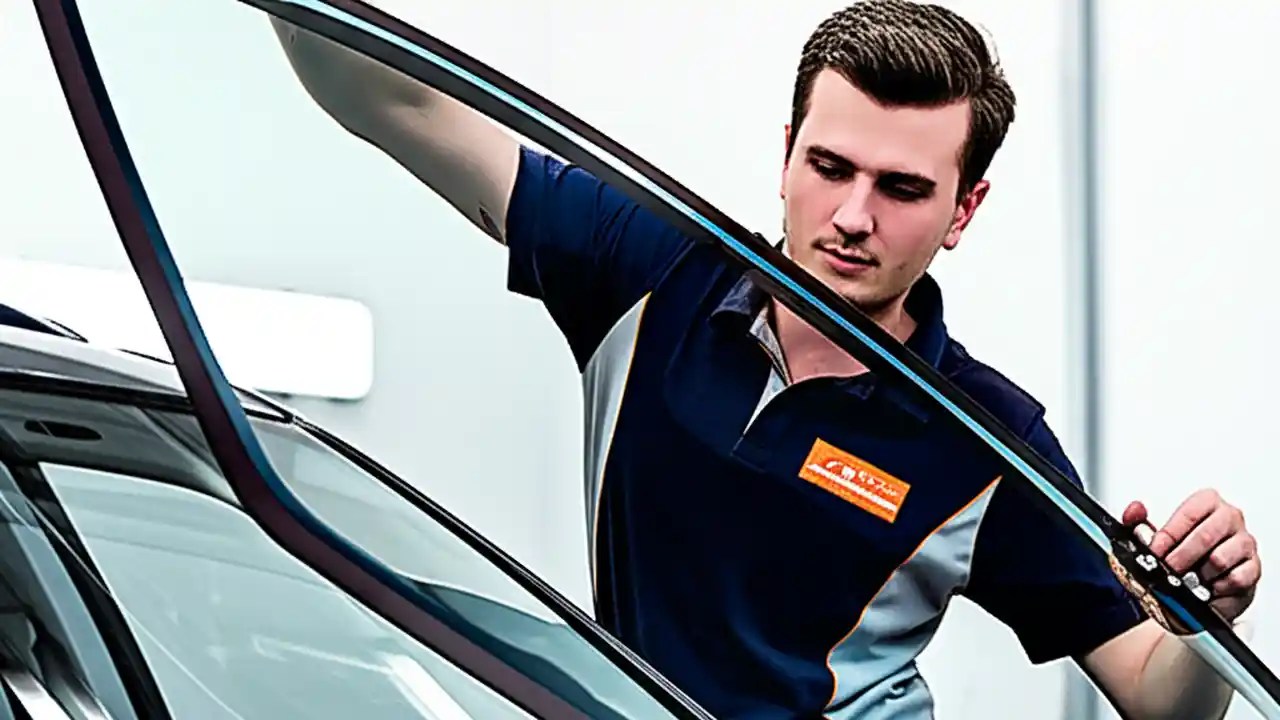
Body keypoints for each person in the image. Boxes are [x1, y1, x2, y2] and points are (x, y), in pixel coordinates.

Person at [269, 2, 1262, 718]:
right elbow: (397, 105)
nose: (850, 216)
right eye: (827, 167)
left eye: (901, 187)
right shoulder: (648, 269)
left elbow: (1152, 694)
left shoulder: (983, 442)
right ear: (786, 152)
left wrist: (1201, 625)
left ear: (962, 210)